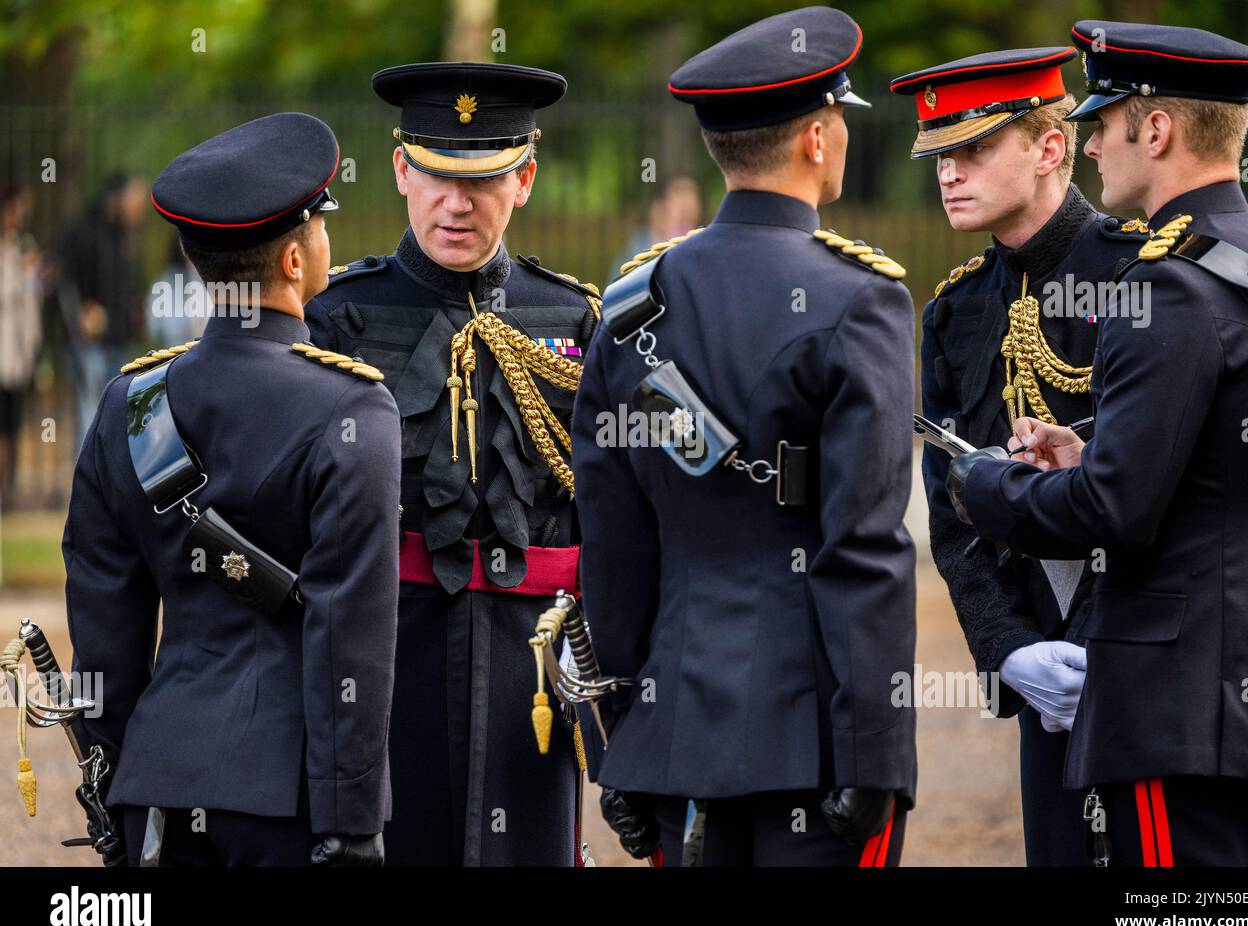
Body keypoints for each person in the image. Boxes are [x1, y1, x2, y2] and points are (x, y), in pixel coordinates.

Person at [947, 21, 1248, 866]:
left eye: (1104, 122)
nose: (1092, 143)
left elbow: (1116, 507)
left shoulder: (1167, 283)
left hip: (1176, 703)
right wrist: (1093, 451)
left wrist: (984, 487)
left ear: (1157, 130)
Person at [571, 6, 916, 867]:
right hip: (814, 743)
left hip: (676, 732)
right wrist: (875, 750)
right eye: (837, 116)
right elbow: (864, 551)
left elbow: (612, 544)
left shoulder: (629, 309)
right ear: (814, 139)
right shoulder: (860, 301)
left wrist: (623, 739)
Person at [64, 112, 402, 866]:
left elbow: (104, 635)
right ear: (292, 259)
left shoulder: (131, 403)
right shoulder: (350, 407)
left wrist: (118, 783)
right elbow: (351, 634)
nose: (326, 243)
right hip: (294, 803)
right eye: (318, 227)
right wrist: (352, 824)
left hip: (162, 781)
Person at [304, 62, 603, 866]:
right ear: (402, 169)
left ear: (526, 177)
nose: (457, 203)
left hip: (531, 668)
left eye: (484, 179)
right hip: (390, 656)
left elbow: (604, 516)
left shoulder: (572, 316)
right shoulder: (338, 317)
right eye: (436, 175)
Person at [889, 47, 1148, 865]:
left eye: (974, 149)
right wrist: (1007, 649)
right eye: (939, 155)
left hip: (1152, 654)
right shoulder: (957, 310)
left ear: (1050, 147)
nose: (949, 173)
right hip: (1047, 670)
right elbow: (952, 505)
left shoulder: (1145, 269)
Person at [59, 173, 148, 445]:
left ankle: (107, 480)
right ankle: (88, 479)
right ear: (119, 198)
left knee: (116, 414)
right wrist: (81, 314)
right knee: (90, 412)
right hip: (91, 342)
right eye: (136, 201)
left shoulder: (126, 236)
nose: (140, 210)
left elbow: (131, 286)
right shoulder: (84, 229)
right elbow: (65, 280)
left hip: (120, 339)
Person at [0, 180, 43, 504]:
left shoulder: (18, 246)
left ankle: (8, 490)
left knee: (13, 425)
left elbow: (29, 299)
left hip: (15, 353)